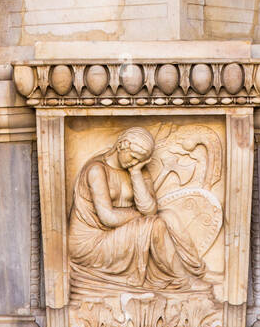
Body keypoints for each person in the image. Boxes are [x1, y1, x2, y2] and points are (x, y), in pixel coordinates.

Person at [68, 127, 209, 297]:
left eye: (140, 160)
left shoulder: (137, 168)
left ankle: (192, 269)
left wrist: (135, 173)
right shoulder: (97, 170)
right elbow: (108, 218)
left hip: (118, 232)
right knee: (155, 224)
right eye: (133, 157)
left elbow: (150, 209)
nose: (135, 162)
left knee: (169, 216)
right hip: (92, 243)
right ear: (122, 145)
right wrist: (141, 216)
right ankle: (182, 279)